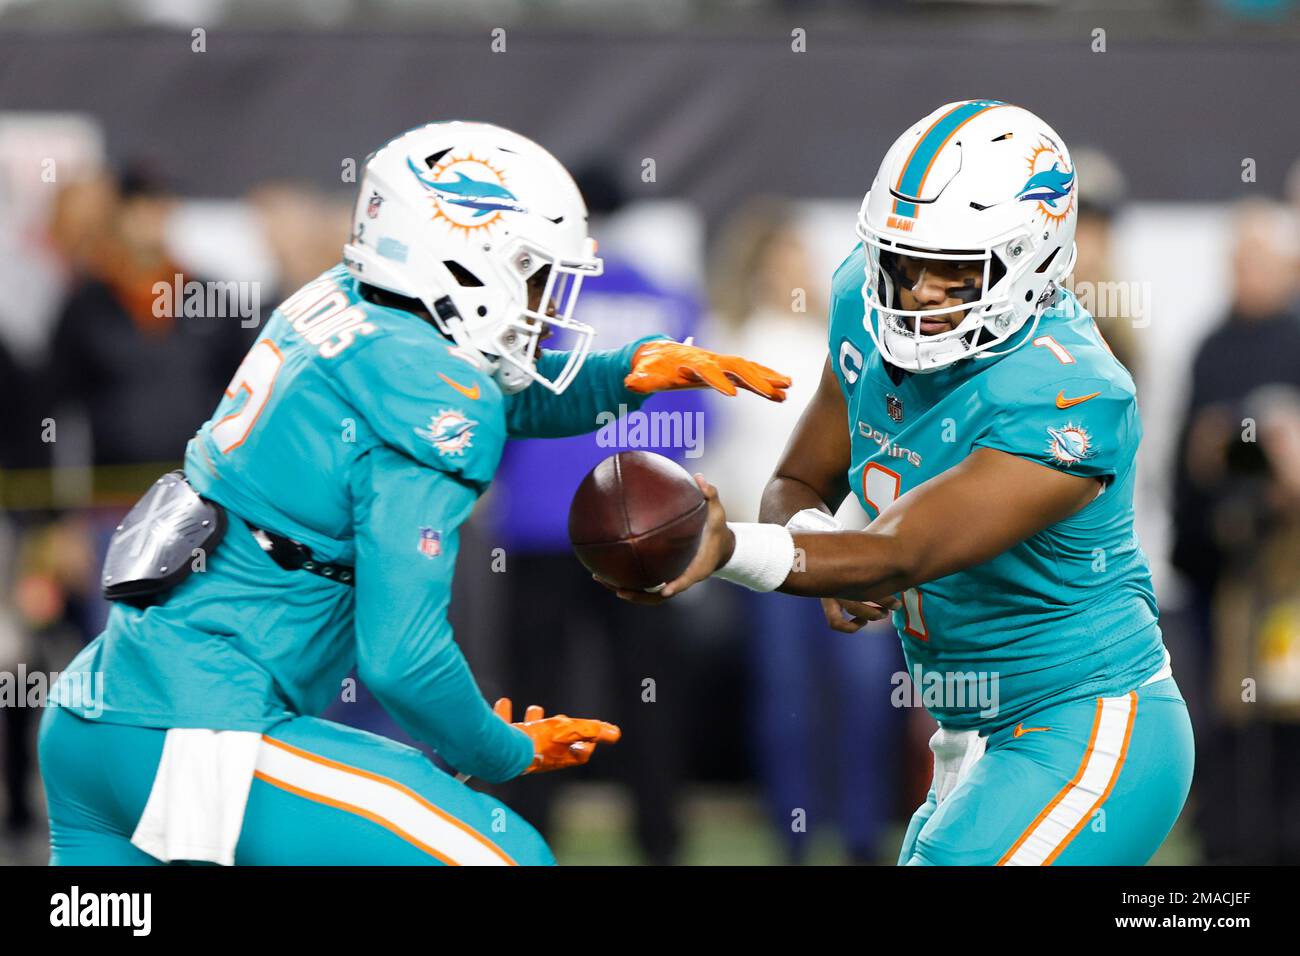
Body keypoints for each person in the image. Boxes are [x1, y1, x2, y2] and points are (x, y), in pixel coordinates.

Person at [37, 121, 788, 866]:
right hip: (201, 732)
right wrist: (503, 751)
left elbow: (477, 401)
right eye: (534, 274)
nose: (550, 305)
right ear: (465, 258)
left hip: (100, 719)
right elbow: (404, 658)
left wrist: (618, 376)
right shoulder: (431, 388)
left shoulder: (336, 304)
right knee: (511, 856)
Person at [610, 101, 1193, 865]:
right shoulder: (866, 301)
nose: (917, 289)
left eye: (955, 266)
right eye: (904, 258)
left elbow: (899, 552)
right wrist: (818, 546)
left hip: (1084, 723)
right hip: (967, 736)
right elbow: (797, 480)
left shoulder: (1071, 394)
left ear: (1033, 258)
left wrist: (726, 550)